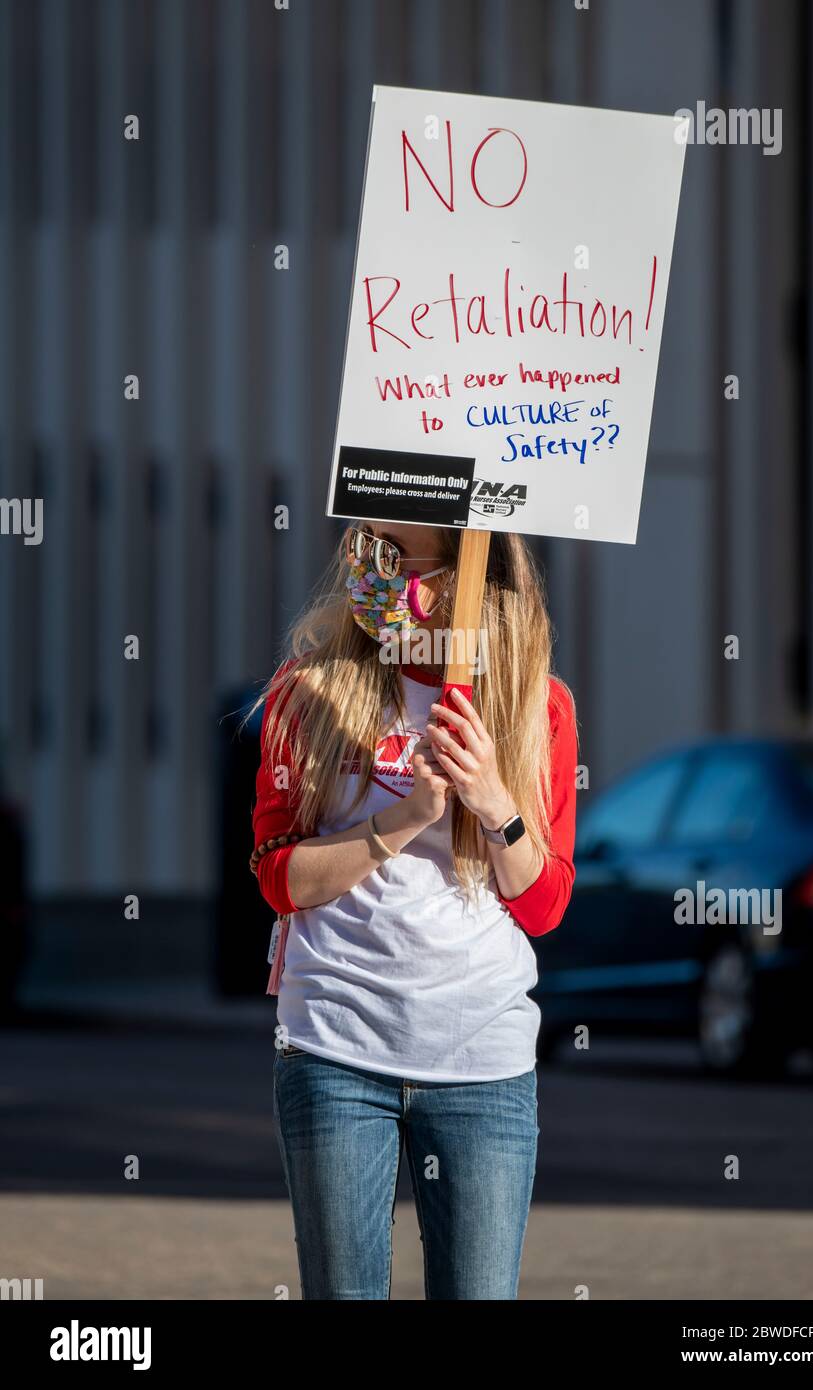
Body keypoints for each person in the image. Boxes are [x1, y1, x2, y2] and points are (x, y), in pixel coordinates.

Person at [250, 518, 578, 1300]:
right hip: (334, 1046)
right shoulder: (309, 692)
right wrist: (402, 819)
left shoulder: (539, 706)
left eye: (428, 565)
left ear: (480, 576)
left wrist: (494, 799)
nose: (403, 587)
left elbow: (545, 904)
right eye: (383, 556)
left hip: (482, 1060)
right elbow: (279, 879)